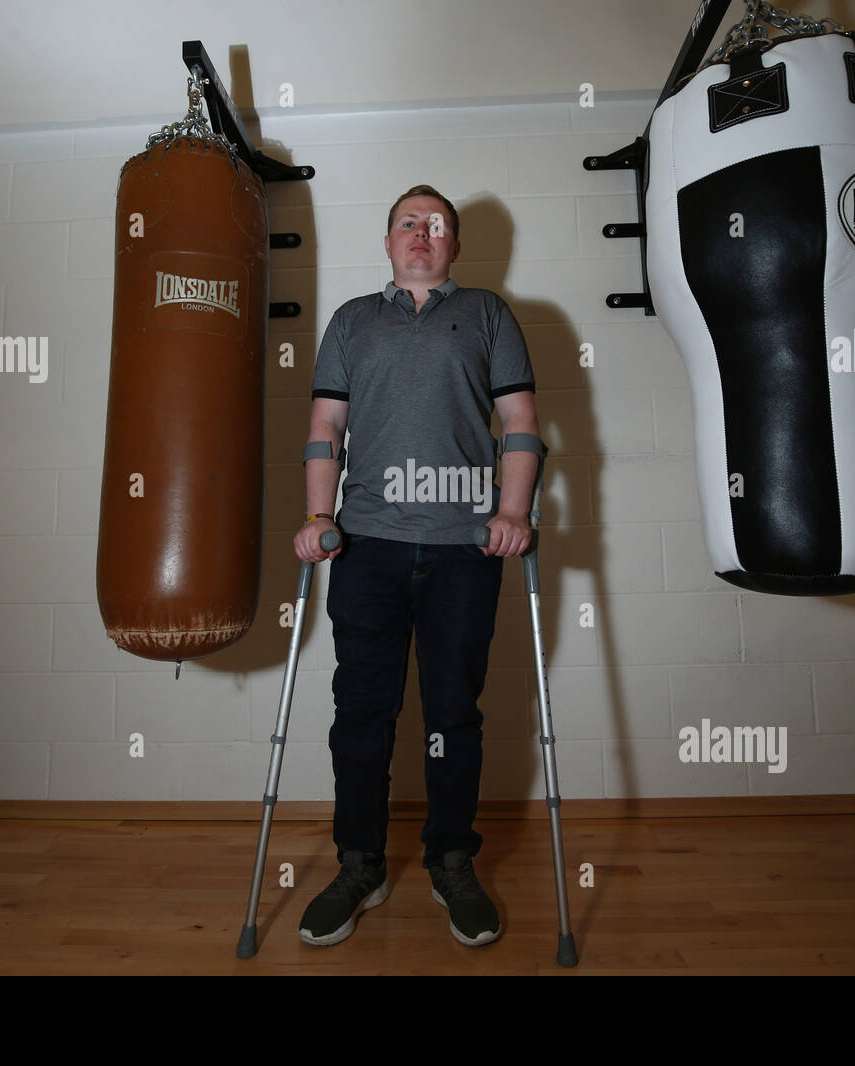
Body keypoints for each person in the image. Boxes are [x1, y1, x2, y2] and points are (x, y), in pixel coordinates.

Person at [293, 184, 542, 949]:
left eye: (437, 225)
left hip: (465, 550)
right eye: (409, 222)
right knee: (361, 714)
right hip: (366, 546)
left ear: (454, 246)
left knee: (452, 715)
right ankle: (360, 863)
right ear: (390, 239)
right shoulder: (351, 321)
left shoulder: (490, 314)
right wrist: (317, 515)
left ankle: (451, 861)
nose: (422, 235)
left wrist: (512, 513)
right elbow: (325, 425)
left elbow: (521, 421)